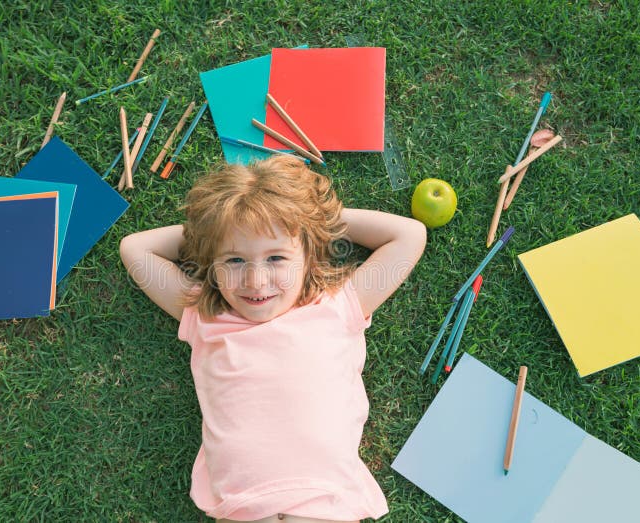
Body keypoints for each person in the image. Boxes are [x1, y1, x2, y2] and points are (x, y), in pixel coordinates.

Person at [120, 155, 427, 522]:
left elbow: (408, 236)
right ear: (213, 265)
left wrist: (310, 219)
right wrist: (213, 226)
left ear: (310, 254)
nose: (256, 281)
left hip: (325, 499)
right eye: (234, 261)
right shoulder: (208, 318)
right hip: (241, 505)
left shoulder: (337, 306)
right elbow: (136, 250)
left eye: (277, 257)